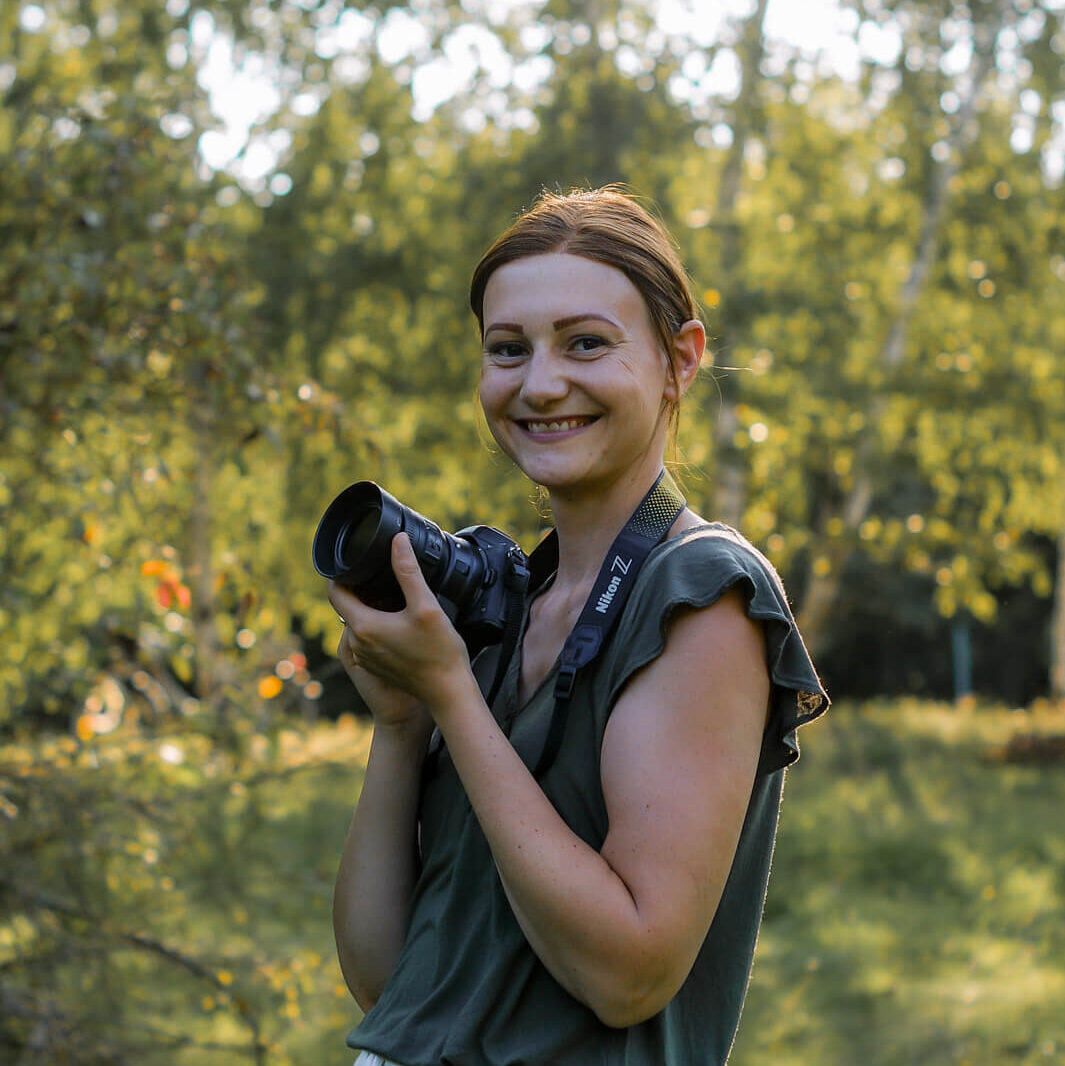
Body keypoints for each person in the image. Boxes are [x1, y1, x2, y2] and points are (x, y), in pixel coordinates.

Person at [328, 186, 828, 1066]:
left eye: (586, 343)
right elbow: (387, 983)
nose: (540, 383)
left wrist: (450, 693)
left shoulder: (701, 592)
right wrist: (403, 725)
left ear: (680, 360)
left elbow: (628, 974)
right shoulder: (508, 606)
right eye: (507, 349)